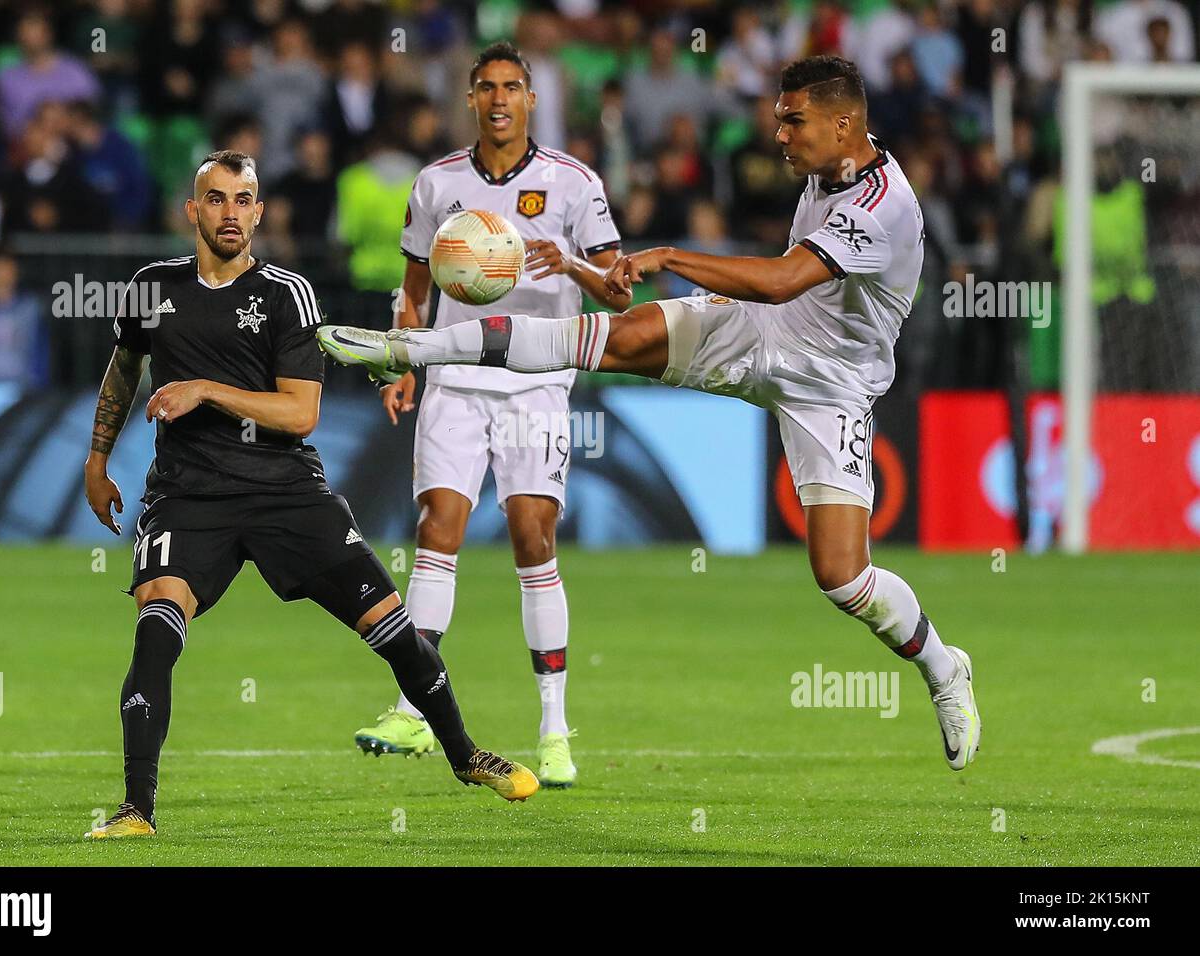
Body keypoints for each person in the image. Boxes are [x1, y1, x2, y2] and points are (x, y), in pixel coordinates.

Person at [320, 57, 982, 772]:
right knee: (604, 341)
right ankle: (406, 346)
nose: (779, 133)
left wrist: (669, 254)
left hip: (833, 386)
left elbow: (786, 277)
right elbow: (777, 297)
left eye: (794, 119)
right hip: (764, 334)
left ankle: (945, 668)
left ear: (844, 122)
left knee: (843, 577)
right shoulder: (826, 172)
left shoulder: (885, 203)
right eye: (778, 116)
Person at [82, 150, 537, 839]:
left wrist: (205, 388)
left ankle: (466, 754)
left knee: (394, 629)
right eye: (216, 199)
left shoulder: (286, 293)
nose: (230, 213)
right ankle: (136, 809)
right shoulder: (150, 287)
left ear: (260, 213)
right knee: (156, 622)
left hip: (284, 491)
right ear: (193, 209)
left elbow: (300, 414)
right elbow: (124, 367)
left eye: (243, 201)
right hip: (187, 495)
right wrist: (97, 457)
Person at [348, 43, 628, 789]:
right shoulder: (437, 183)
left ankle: (554, 730)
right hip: (455, 380)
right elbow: (412, 286)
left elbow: (621, 293)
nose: (499, 99)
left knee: (533, 539)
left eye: (512, 87)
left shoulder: (573, 184)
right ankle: (411, 708)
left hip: (536, 384)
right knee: (438, 528)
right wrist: (403, 359)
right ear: (469, 100)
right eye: (486, 88)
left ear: (531, 99)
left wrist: (570, 264)